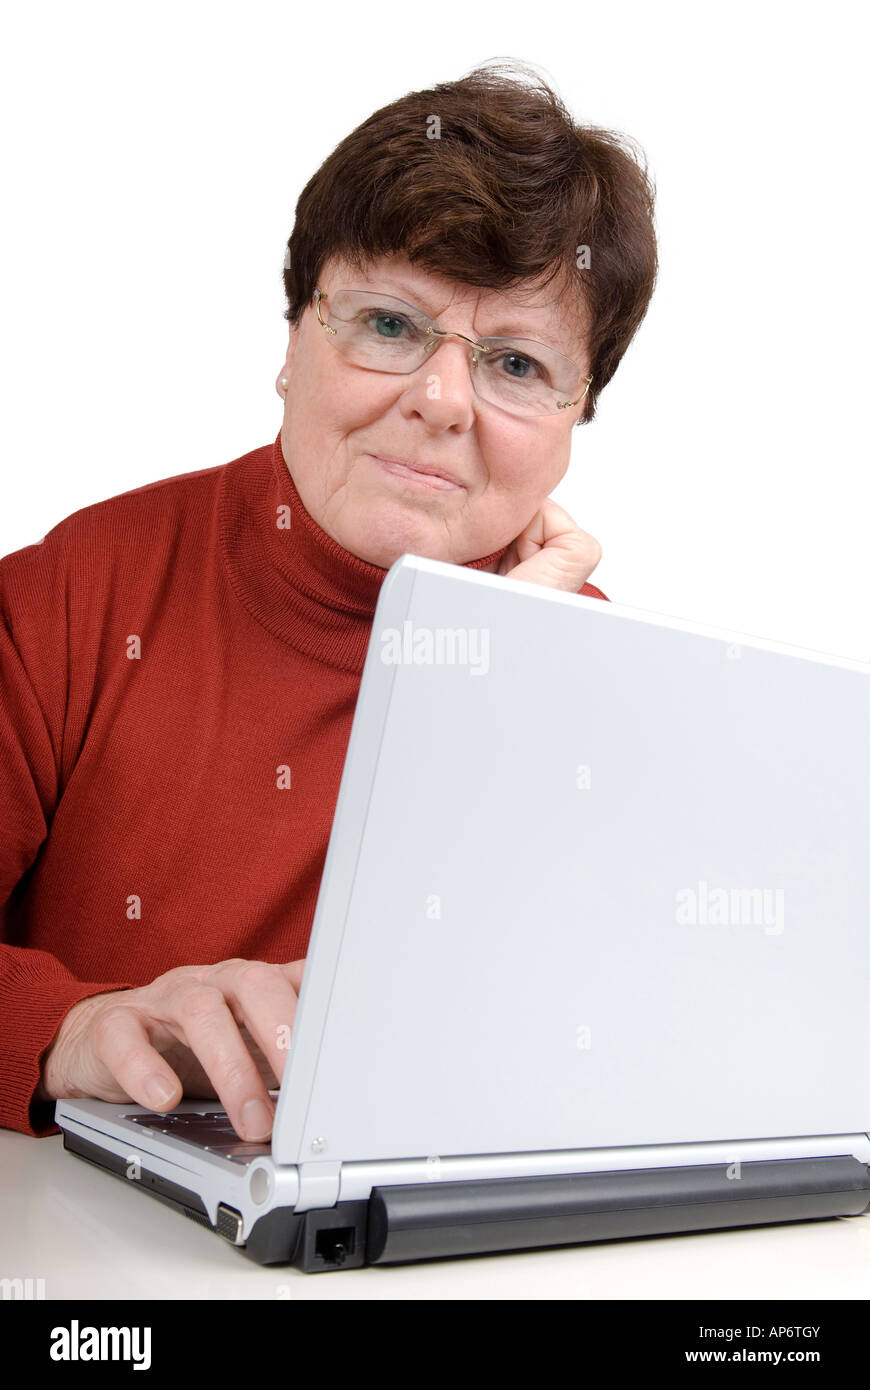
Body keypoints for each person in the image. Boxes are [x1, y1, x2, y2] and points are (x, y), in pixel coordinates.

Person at [0, 61, 657, 1143]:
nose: (442, 402)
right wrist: (67, 1031)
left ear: (573, 421)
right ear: (292, 342)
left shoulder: (596, 672)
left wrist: (479, 686)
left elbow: (640, 1042)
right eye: (390, 326)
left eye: (515, 363)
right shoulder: (71, 599)